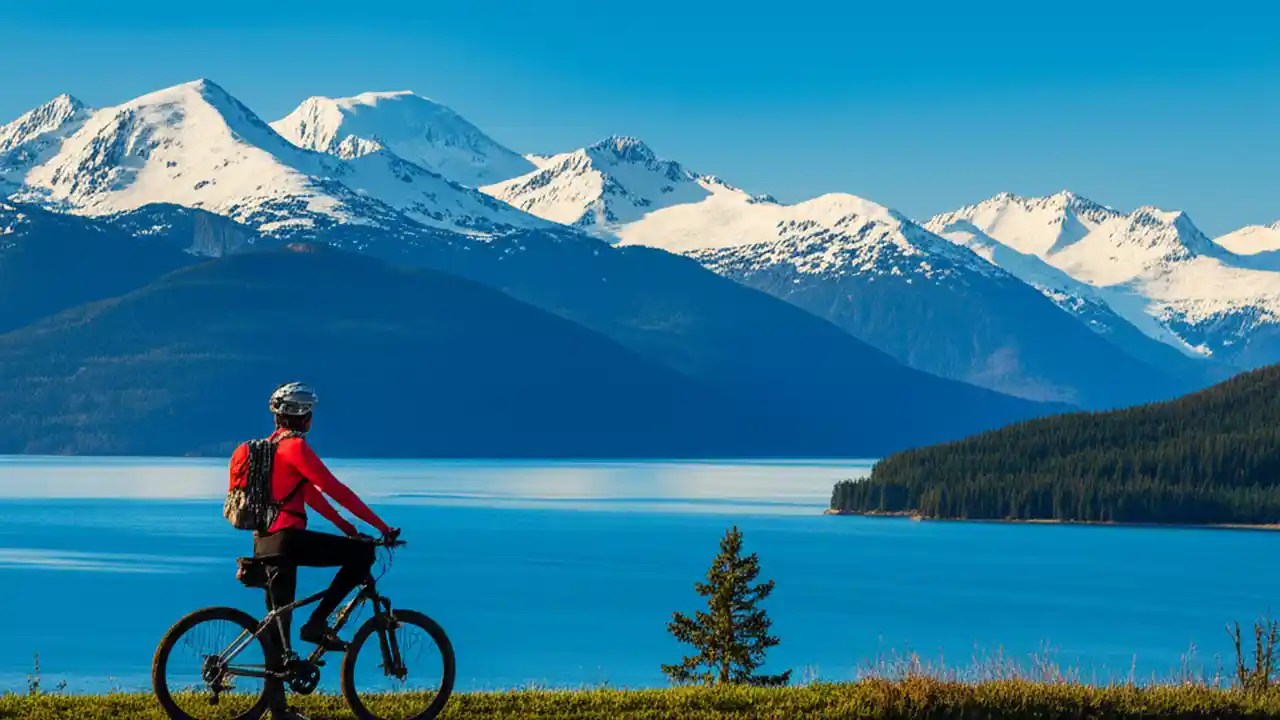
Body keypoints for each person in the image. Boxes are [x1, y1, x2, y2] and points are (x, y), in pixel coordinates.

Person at [241, 382, 399, 653]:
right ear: (305, 416)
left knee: (279, 620)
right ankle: (316, 622)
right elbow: (335, 490)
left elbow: (312, 497)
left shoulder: (270, 448)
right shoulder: (295, 447)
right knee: (362, 556)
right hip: (289, 541)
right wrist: (382, 527)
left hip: (263, 541)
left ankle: (274, 694)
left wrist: (348, 529)